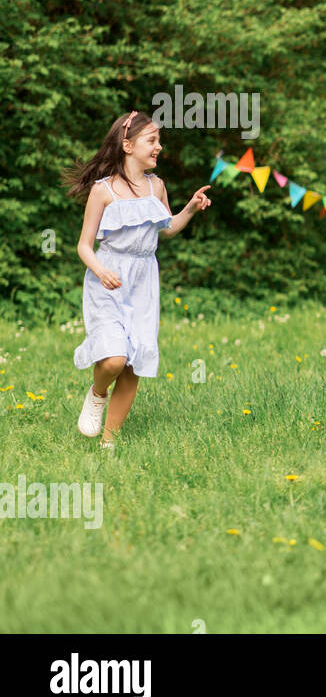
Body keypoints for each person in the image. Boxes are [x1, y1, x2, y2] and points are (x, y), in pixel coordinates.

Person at [67, 110, 212, 448]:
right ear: (128, 145)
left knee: (132, 365)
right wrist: (101, 271)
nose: (159, 146)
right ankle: (97, 392)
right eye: (152, 140)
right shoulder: (103, 191)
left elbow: (168, 227)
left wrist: (189, 208)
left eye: (159, 140)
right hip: (108, 277)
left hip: (144, 280)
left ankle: (109, 443)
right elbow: (84, 246)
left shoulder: (156, 186)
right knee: (114, 358)